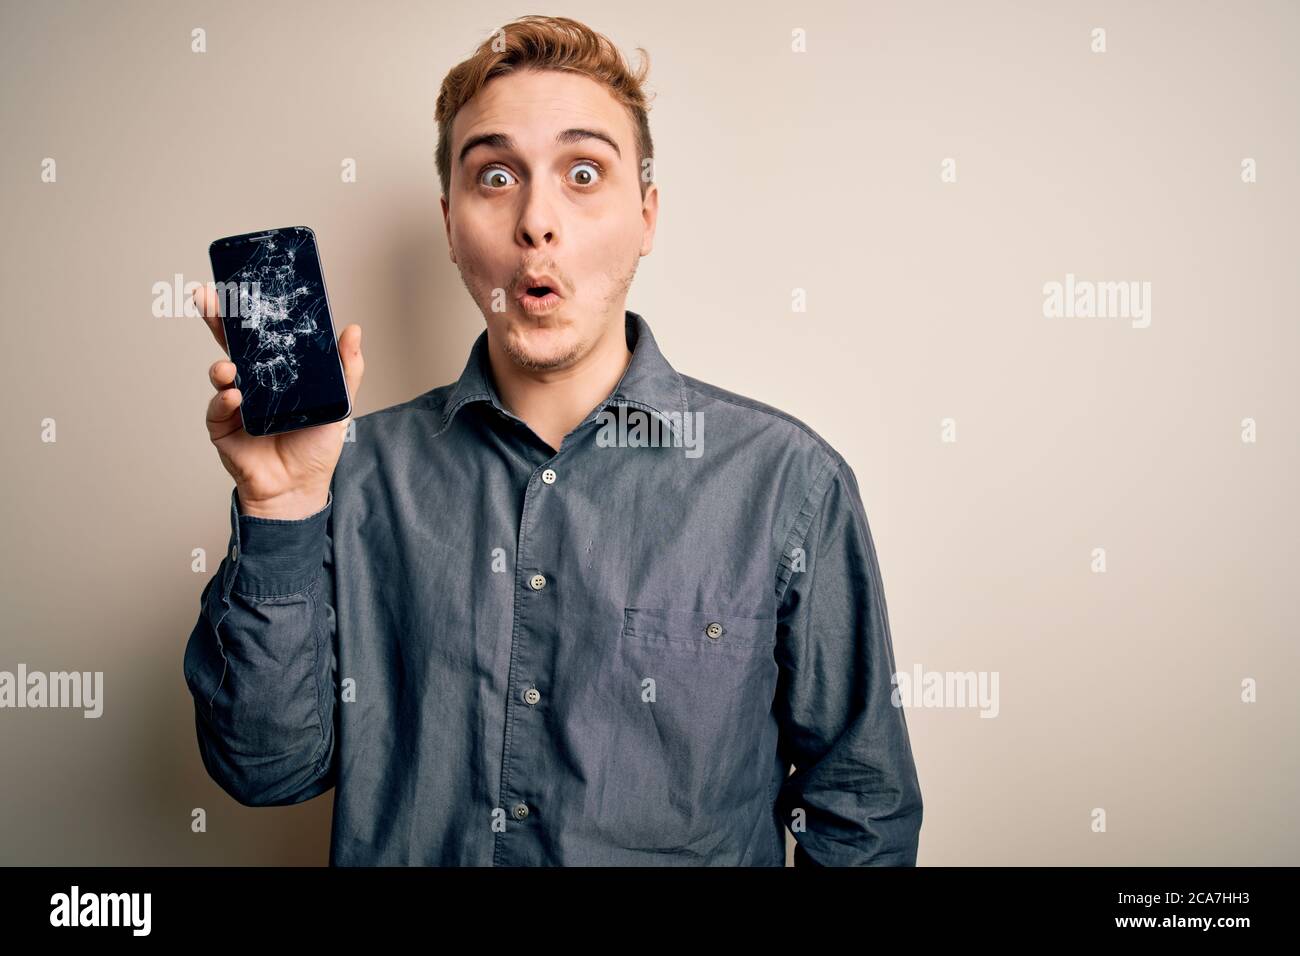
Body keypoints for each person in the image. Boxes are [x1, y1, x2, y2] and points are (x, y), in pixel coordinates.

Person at [183, 14, 922, 866]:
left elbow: (860, 811)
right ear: (452, 225)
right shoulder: (347, 477)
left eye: (582, 172)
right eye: (495, 176)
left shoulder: (788, 483)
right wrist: (279, 508)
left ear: (646, 216)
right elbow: (266, 771)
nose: (537, 220)